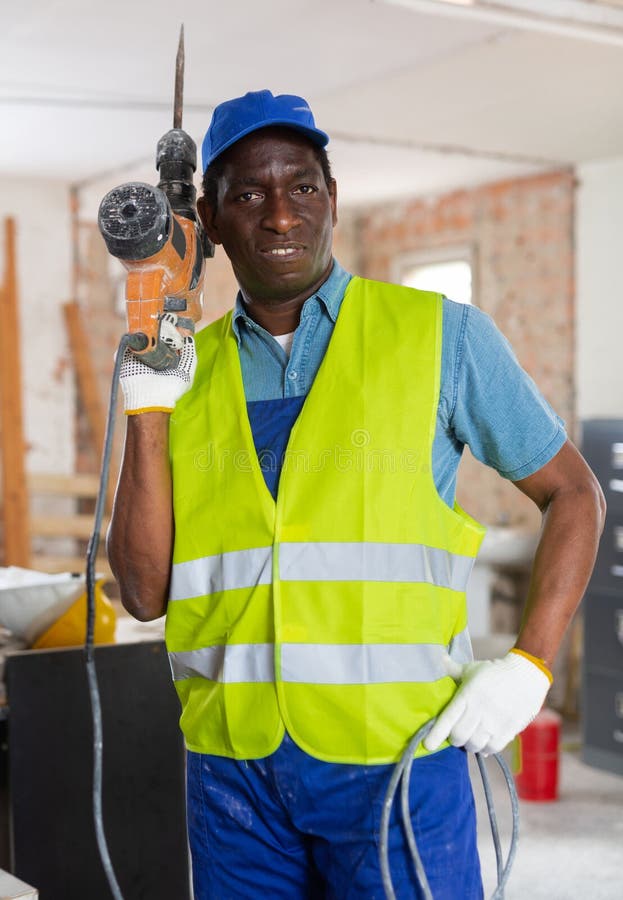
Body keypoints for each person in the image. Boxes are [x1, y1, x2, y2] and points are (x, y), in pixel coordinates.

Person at [108, 90, 605, 899]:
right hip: (234, 776)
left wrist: (530, 665)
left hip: (397, 760)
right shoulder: (178, 370)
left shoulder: (441, 336)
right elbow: (141, 592)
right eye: (248, 195)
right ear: (210, 220)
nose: (280, 216)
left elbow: (575, 495)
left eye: (302, 187)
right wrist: (147, 405)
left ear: (332, 199)